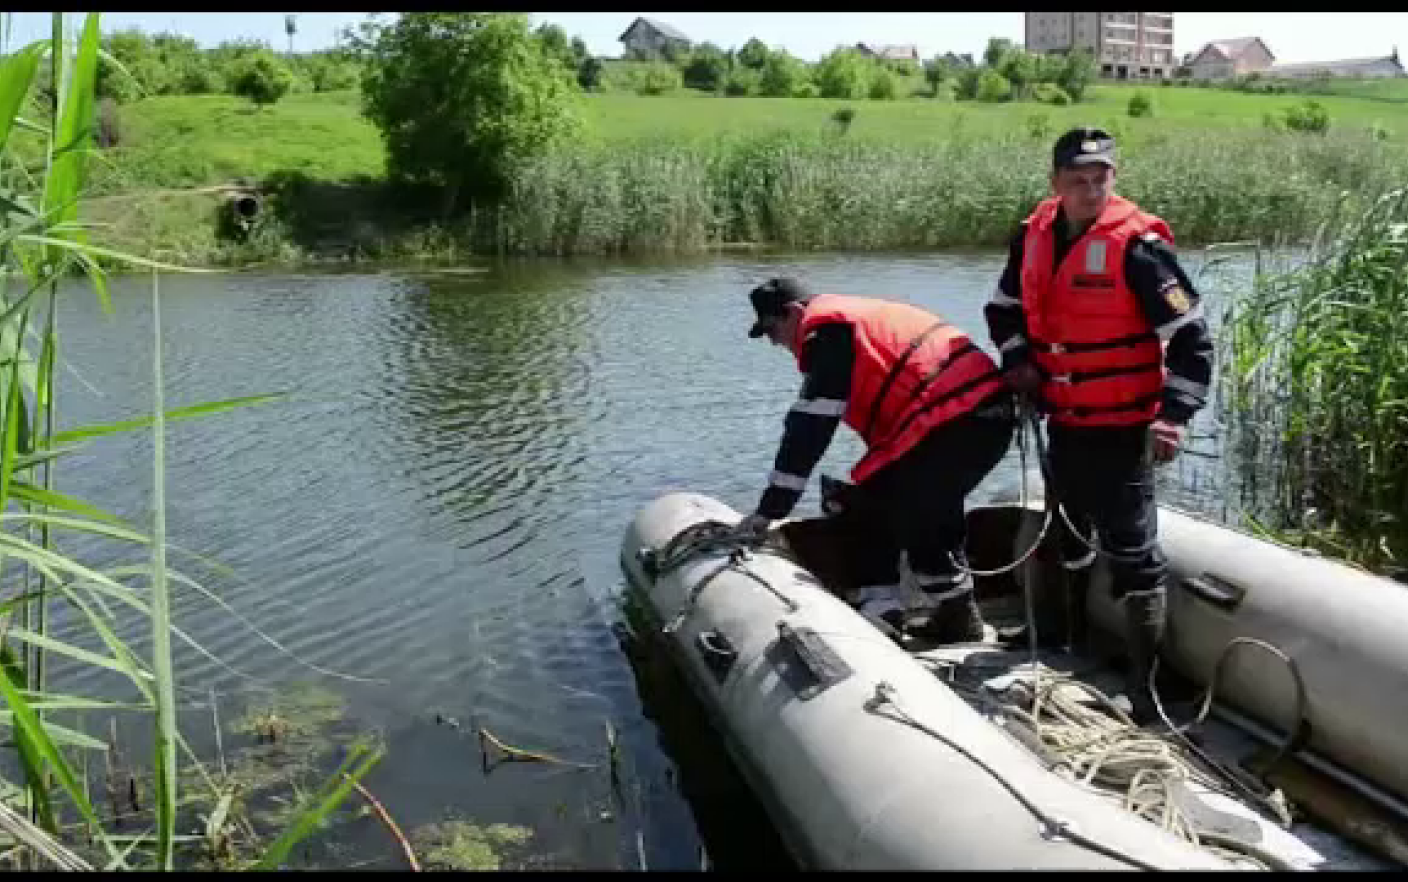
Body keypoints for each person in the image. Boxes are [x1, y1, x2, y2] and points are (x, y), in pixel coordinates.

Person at [984, 126, 1215, 723]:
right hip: (1063, 421)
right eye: (1077, 180)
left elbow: (1192, 341)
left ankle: (1147, 692)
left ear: (1113, 179)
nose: (1091, 191)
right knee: (1063, 535)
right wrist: (1018, 360)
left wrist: (1173, 419)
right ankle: (1064, 646)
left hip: (1125, 427)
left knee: (1135, 554)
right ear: (1055, 183)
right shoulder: (1032, 235)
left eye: (1101, 179)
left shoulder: (1139, 248)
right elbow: (1003, 309)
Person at [736, 277, 1015, 643]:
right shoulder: (849, 322)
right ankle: (896, 608)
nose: (775, 343)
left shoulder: (828, 334)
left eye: (773, 330)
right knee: (873, 499)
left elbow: (810, 428)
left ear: (794, 313)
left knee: (918, 512)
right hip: (964, 415)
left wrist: (771, 509)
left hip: (957, 418)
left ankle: (948, 617)